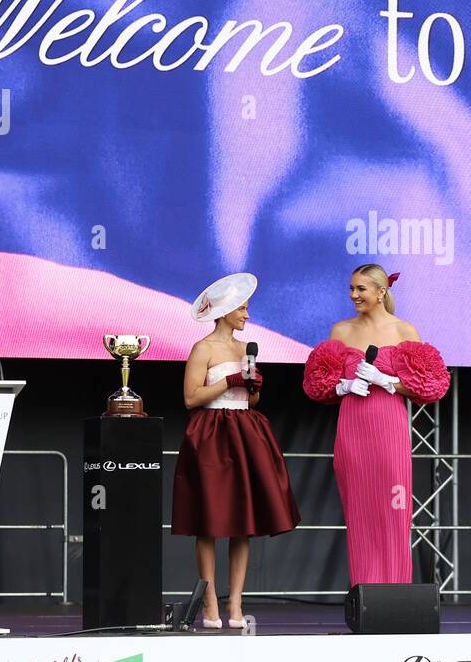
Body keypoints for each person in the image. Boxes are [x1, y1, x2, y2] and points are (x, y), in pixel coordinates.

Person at [302, 264, 450, 585]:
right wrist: (343, 385)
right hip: (352, 428)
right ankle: (366, 594)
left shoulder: (404, 331)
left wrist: (388, 380)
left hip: (389, 427)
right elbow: (317, 383)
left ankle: (395, 593)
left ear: (381, 292)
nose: (354, 295)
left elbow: (431, 386)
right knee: (360, 514)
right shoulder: (341, 331)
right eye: (351, 289)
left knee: (393, 511)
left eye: (361, 289)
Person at [171, 273, 300, 628]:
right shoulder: (203, 348)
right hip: (212, 433)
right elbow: (190, 398)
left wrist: (252, 386)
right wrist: (229, 380)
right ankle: (210, 603)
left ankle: (236, 604)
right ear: (225, 310)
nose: (246, 314)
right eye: (241, 308)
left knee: (244, 522)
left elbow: (251, 398)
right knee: (208, 521)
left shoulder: (245, 349)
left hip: (245, 431)